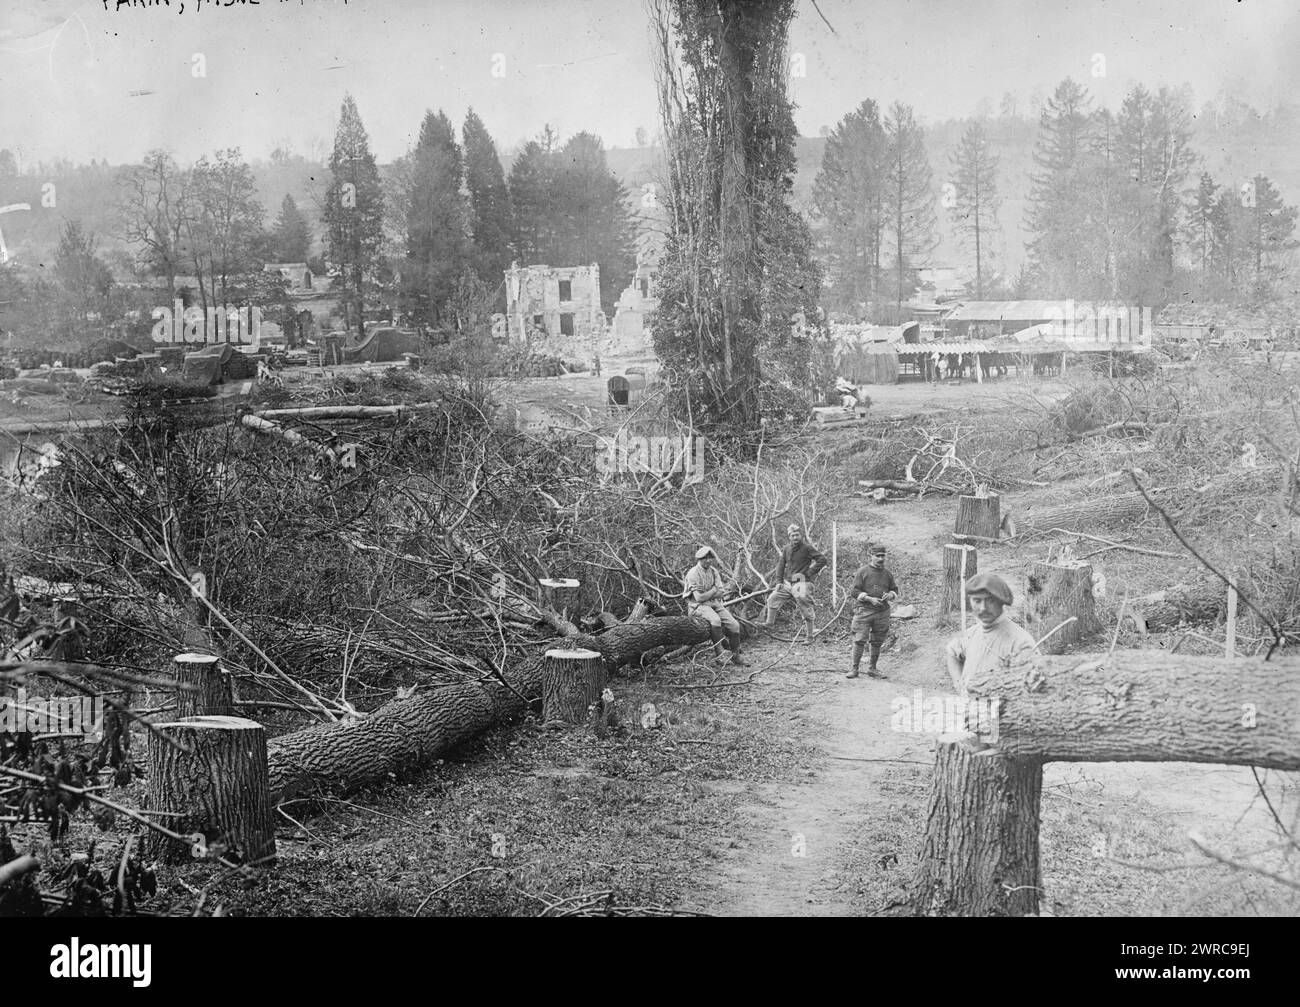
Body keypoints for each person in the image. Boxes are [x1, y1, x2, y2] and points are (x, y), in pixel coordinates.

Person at [945, 573, 1036, 694]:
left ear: (1001, 602)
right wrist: (958, 683)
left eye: (990, 601)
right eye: (977, 600)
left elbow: (1032, 690)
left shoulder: (1020, 642)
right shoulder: (973, 633)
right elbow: (952, 652)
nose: (983, 608)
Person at [683, 546, 747, 667]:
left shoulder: (713, 571)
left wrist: (710, 592)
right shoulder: (693, 573)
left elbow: (721, 592)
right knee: (715, 620)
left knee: (734, 625)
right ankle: (719, 654)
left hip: (714, 604)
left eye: (710, 558)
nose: (708, 560)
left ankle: (736, 656)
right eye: (704, 558)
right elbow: (699, 598)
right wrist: (713, 590)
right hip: (697, 606)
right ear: (699, 559)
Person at [763, 524, 827, 643]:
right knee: (773, 598)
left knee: (805, 606)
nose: (795, 537)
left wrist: (809, 572)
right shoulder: (787, 548)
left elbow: (822, 559)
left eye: (797, 535)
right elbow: (781, 565)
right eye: (793, 535)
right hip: (788, 583)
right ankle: (769, 624)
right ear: (789, 537)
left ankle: (809, 636)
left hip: (803, 582)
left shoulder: (807, 548)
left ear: (801, 535)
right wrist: (779, 582)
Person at [847, 543, 899, 679]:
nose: (881, 559)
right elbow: (854, 591)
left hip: (882, 612)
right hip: (864, 611)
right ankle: (854, 669)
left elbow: (895, 589)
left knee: (877, 641)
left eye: (883, 556)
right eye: (878, 556)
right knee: (859, 639)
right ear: (871, 556)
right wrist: (869, 599)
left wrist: (890, 595)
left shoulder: (887, 574)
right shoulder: (863, 572)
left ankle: (872, 668)